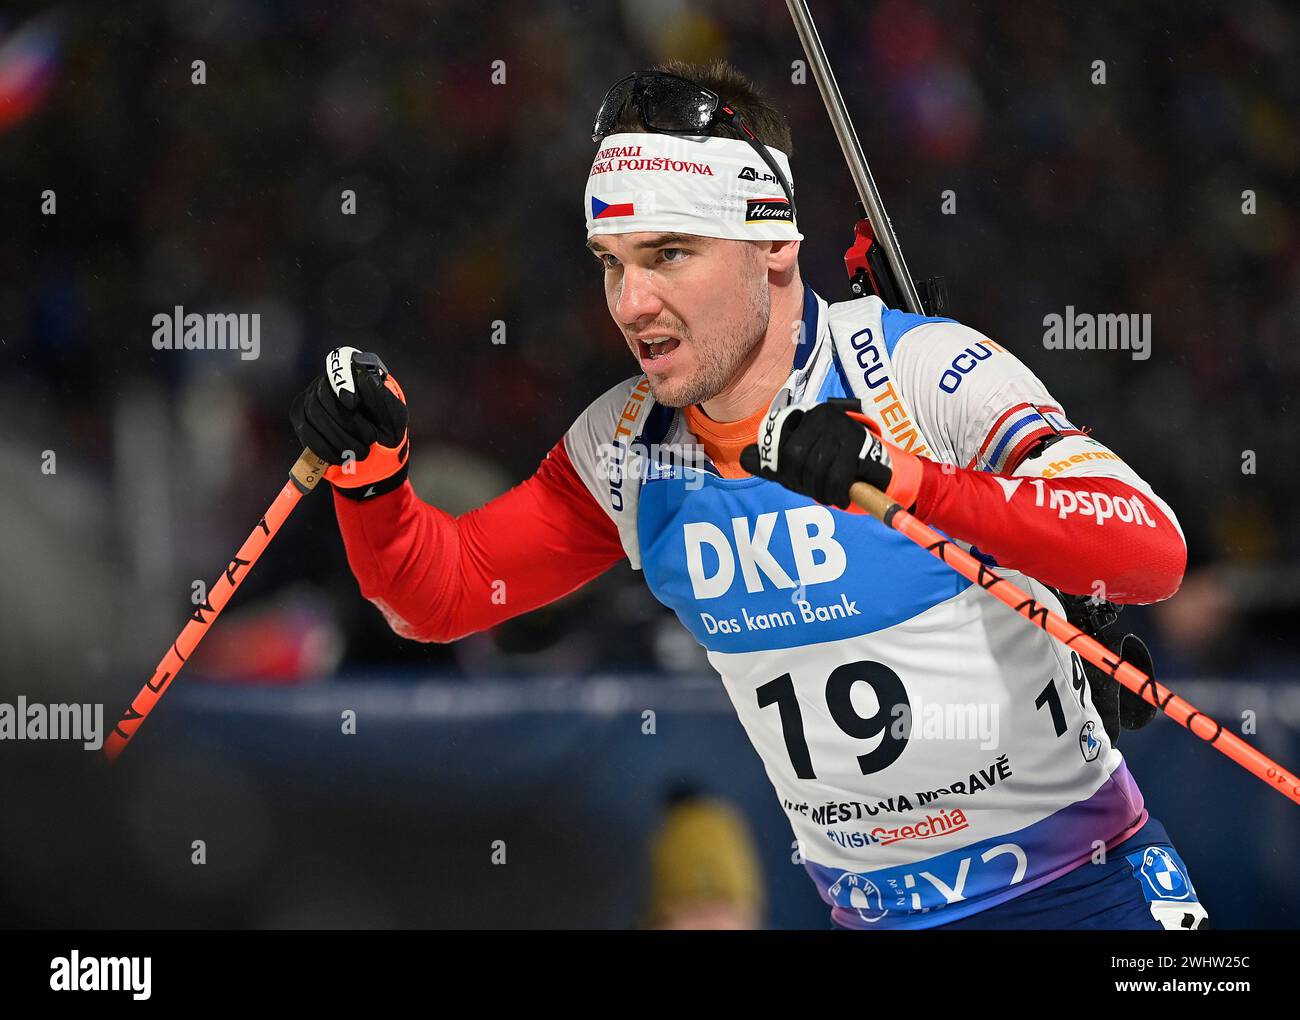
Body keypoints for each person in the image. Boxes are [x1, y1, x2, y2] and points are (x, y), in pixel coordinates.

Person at [290, 59, 1208, 930]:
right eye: (612, 261)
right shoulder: (627, 446)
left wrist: (908, 481)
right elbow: (438, 596)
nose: (630, 301)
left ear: (771, 241)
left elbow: (1150, 550)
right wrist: (371, 478)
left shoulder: (913, 370)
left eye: (670, 253)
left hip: (1082, 894)